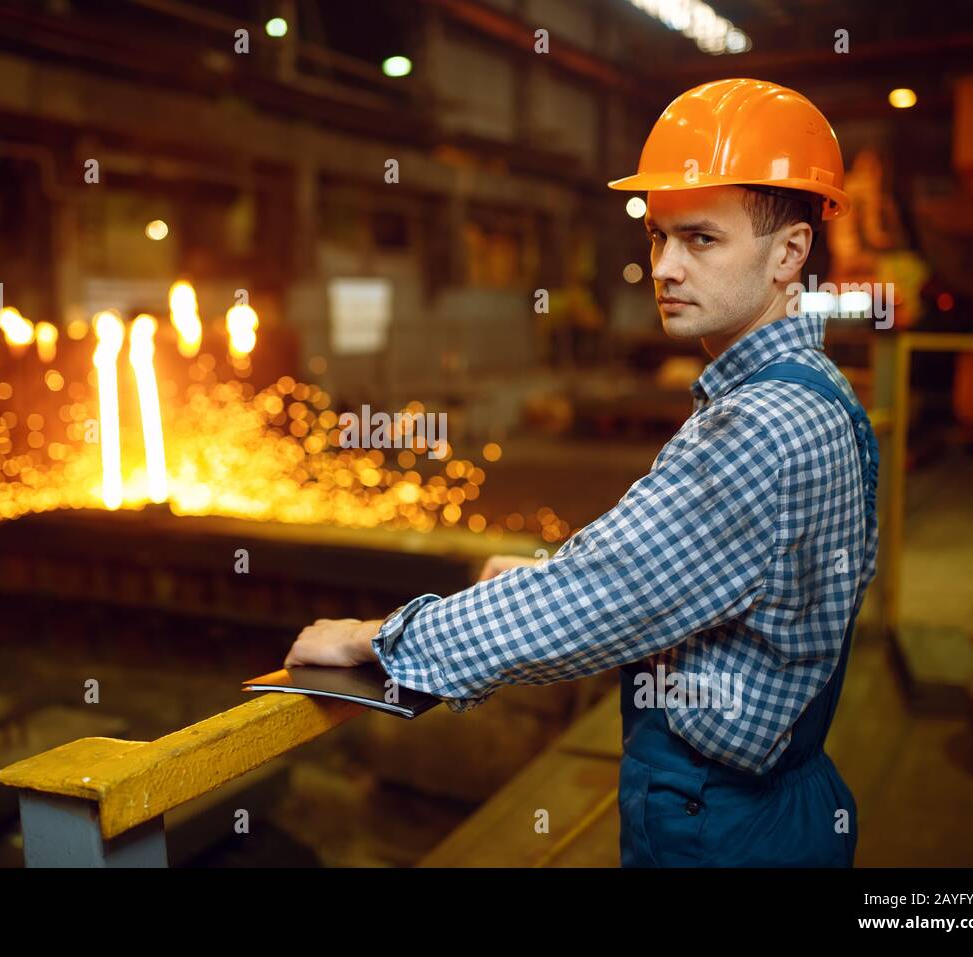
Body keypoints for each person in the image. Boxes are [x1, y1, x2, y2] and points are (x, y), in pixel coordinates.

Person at [283, 79, 879, 868]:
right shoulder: (819, 392)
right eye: (658, 236)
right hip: (789, 802)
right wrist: (546, 572)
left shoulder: (759, 425)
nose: (665, 267)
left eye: (701, 239)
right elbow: (689, 564)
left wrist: (379, 641)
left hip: (718, 823)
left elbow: (608, 593)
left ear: (790, 253)